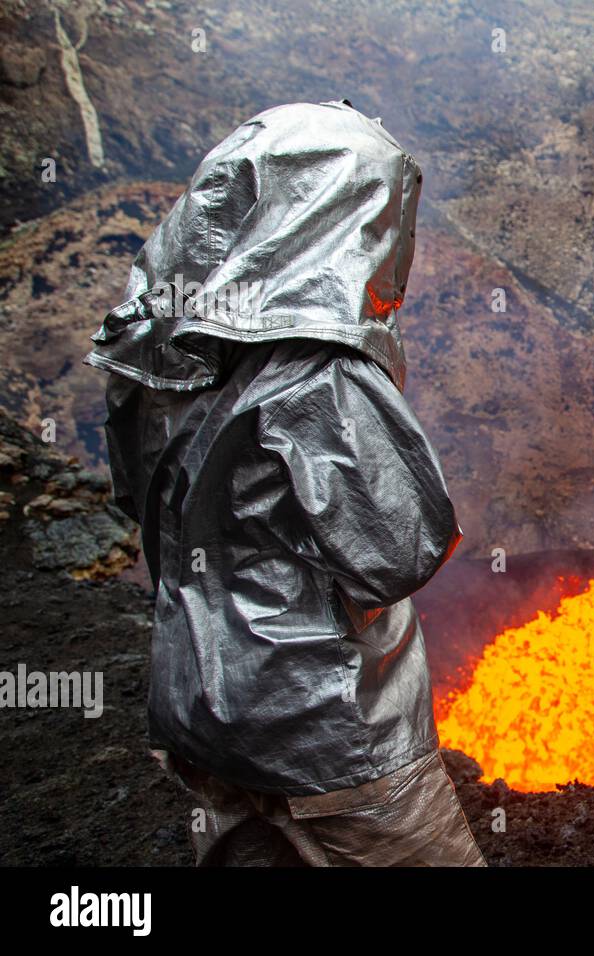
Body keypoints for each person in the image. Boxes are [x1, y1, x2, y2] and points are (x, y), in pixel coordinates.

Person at [85, 100, 485, 867]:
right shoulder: (316, 372)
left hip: (204, 706)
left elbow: (137, 500)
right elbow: (398, 550)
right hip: (327, 734)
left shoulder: (155, 354)